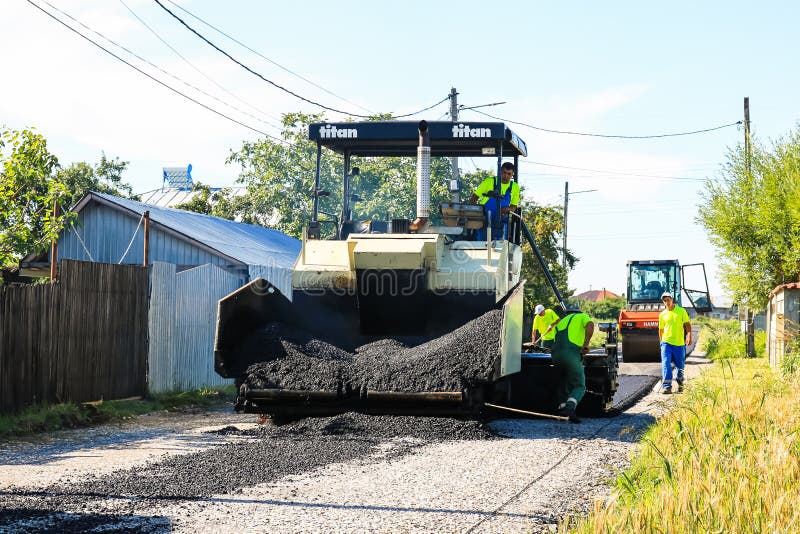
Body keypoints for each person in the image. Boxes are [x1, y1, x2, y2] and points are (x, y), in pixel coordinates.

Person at [551, 310, 594, 423]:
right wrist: (585, 344)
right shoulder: (582, 316)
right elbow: (590, 325)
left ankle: (562, 409)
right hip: (570, 354)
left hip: (555, 355)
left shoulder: (560, 322)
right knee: (579, 384)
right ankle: (570, 408)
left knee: (563, 382)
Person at [469, 161, 520, 241]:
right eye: (504, 172)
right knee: (482, 244)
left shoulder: (515, 187)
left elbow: (513, 206)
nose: (506, 176)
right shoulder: (489, 181)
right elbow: (473, 198)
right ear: (500, 171)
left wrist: (507, 209)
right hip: (484, 219)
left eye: (509, 174)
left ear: (512, 174)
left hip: (501, 221)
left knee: (500, 245)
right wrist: (476, 214)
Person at [658, 291, 692, 394]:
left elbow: (687, 324)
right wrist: (661, 342)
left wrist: (689, 335)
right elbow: (661, 330)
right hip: (666, 343)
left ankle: (680, 382)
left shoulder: (681, 311)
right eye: (665, 301)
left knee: (680, 366)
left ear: (672, 300)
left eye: (668, 300)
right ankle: (667, 386)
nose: (667, 302)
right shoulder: (662, 315)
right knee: (666, 364)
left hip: (679, 344)